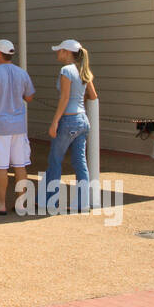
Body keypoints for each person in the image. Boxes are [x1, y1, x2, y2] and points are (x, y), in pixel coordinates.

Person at [0, 39, 35, 215]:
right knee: (20, 165)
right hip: (19, 126)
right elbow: (30, 96)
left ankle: (0, 203)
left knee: (1, 167)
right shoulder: (22, 73)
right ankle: (20, 204)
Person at [44, 38, 97, 214]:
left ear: (67, 52)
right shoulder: (83, 70)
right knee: (80, 162)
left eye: (59, 50)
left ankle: (50, 200)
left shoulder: (66, 70)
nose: (57, 53)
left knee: (55, 160)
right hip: (82, 119)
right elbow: (93, 95)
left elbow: (64, 98)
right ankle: (83, 202)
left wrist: (55, 121)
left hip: (68, 120)